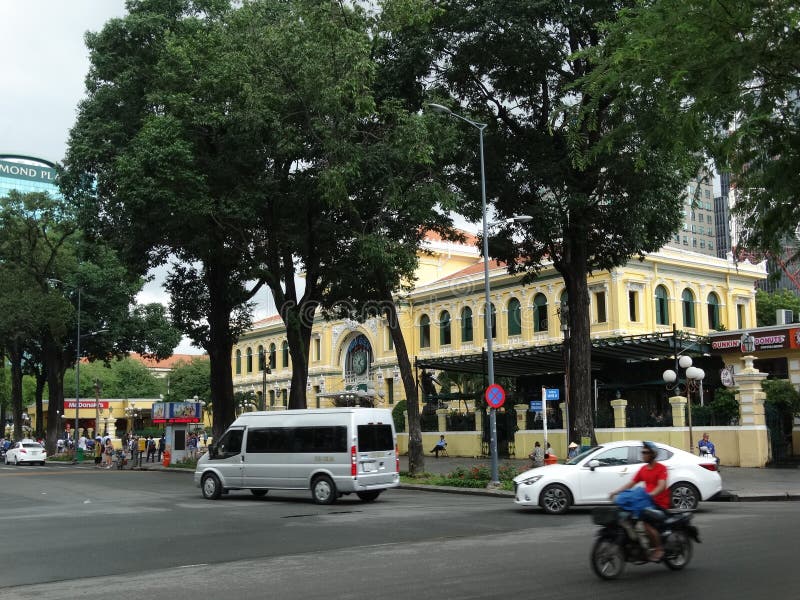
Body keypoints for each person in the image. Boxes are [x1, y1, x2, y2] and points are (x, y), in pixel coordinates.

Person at [609, 441, 670, 562]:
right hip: (646, 501)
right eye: (642, 452)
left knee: (645, 523)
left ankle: (659, 548)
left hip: (659, 503)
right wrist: (616, 492)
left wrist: (651, 494)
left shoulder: (661, 469)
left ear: (653, 454)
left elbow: (662, 486)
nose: (643, 454)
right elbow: (631, 484)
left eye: (646, 452)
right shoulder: (643, 469)